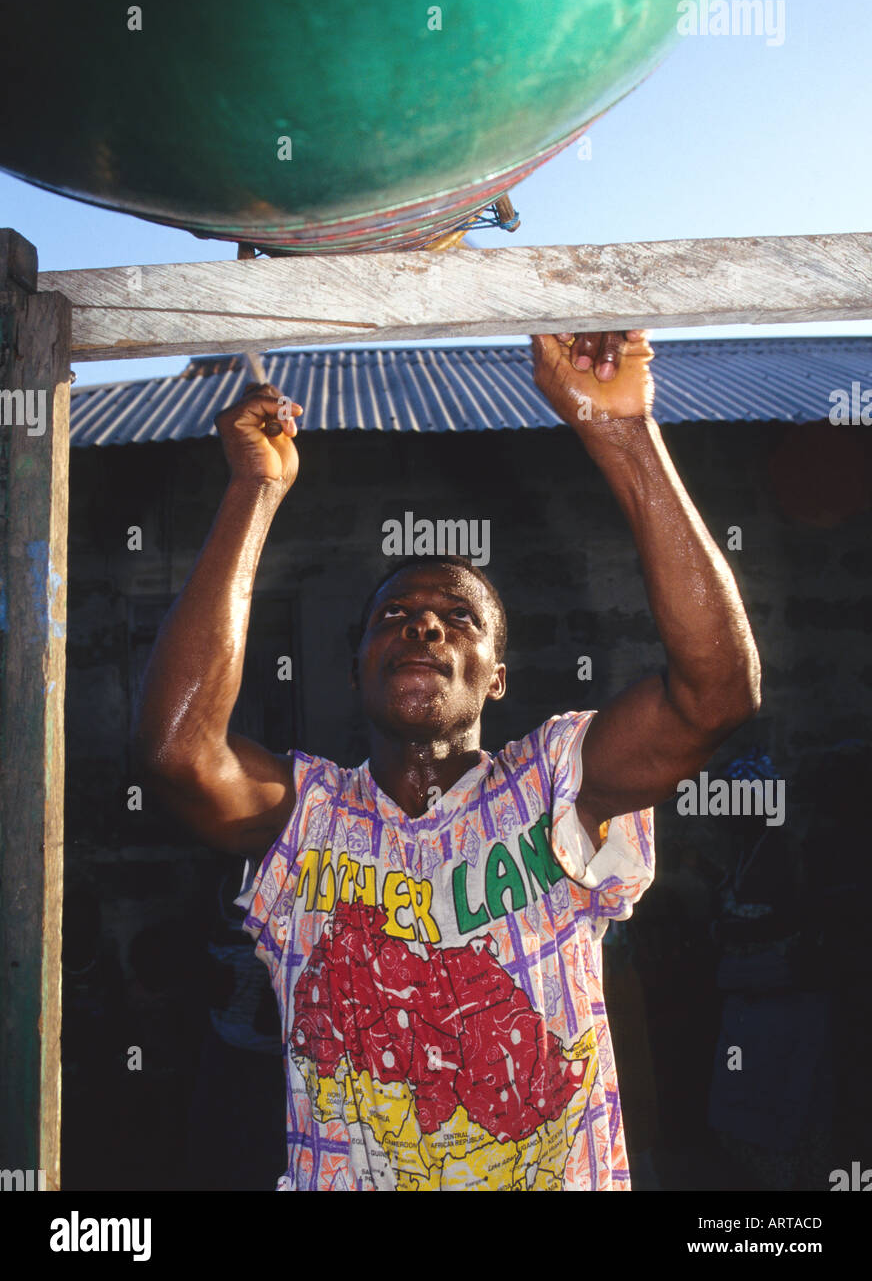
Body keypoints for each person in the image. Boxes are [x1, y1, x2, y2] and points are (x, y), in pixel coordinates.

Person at [132, 329, 761, 1191]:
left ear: (498, 678)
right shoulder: (303, 815)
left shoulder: (558, 785)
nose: (423, 625)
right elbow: (177, 750)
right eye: (394, 617)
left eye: (456, 618)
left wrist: (622, 434)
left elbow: (715, 698)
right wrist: (253, 490)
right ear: (357, 666)